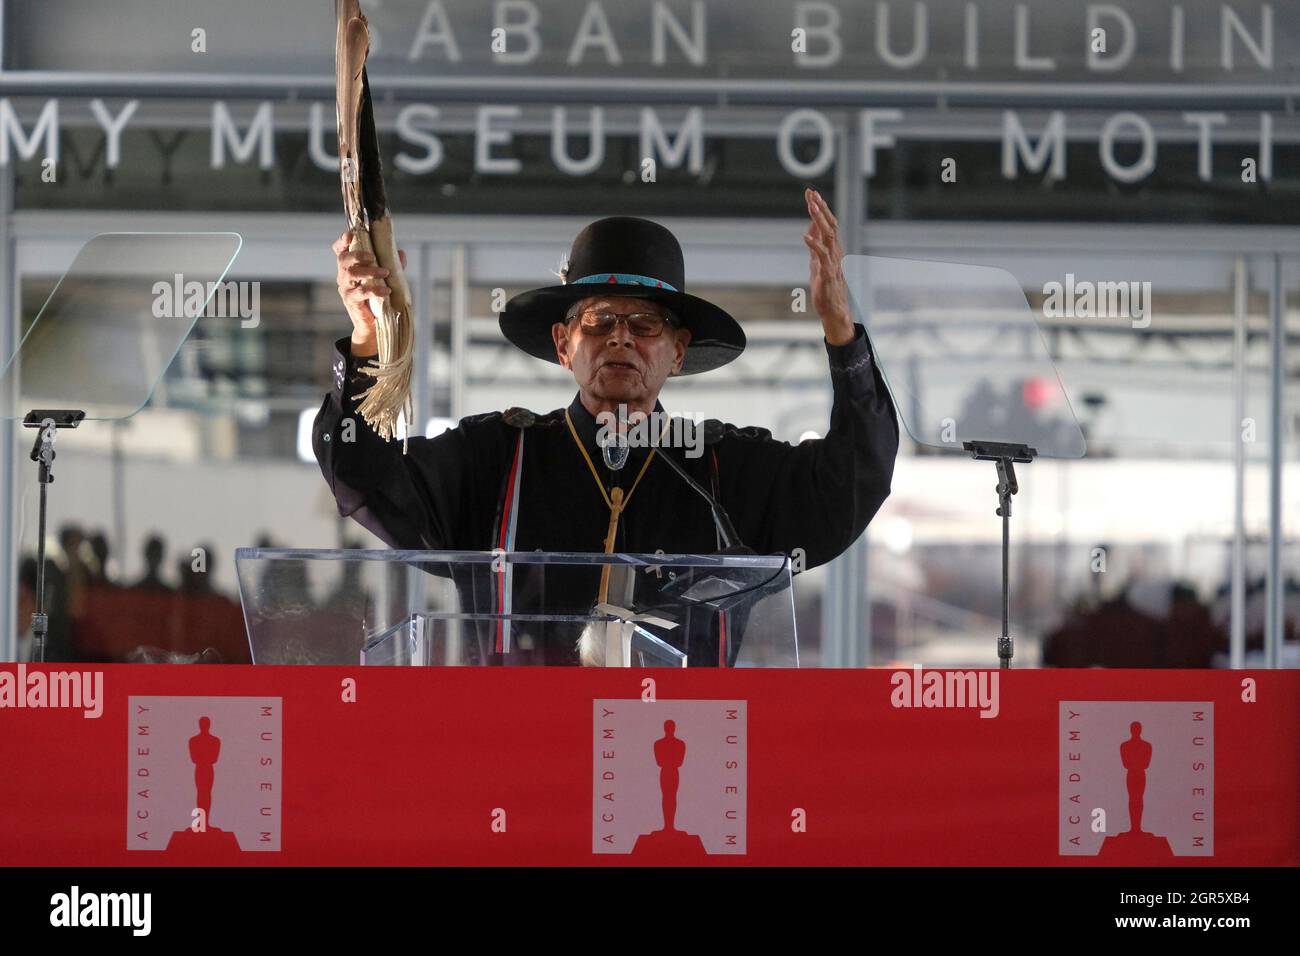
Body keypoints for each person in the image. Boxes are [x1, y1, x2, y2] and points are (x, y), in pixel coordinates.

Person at [313, 188, 899, 664]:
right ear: (565, 345)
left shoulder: (723, 467)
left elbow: (853, 480)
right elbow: (364, 474)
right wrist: (368, 339)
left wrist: (842, 337)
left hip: (680, 748)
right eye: (598, 321)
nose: (621, 337)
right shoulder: (496, 457)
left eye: (645, 324)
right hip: (518, 753)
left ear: (677, 350)